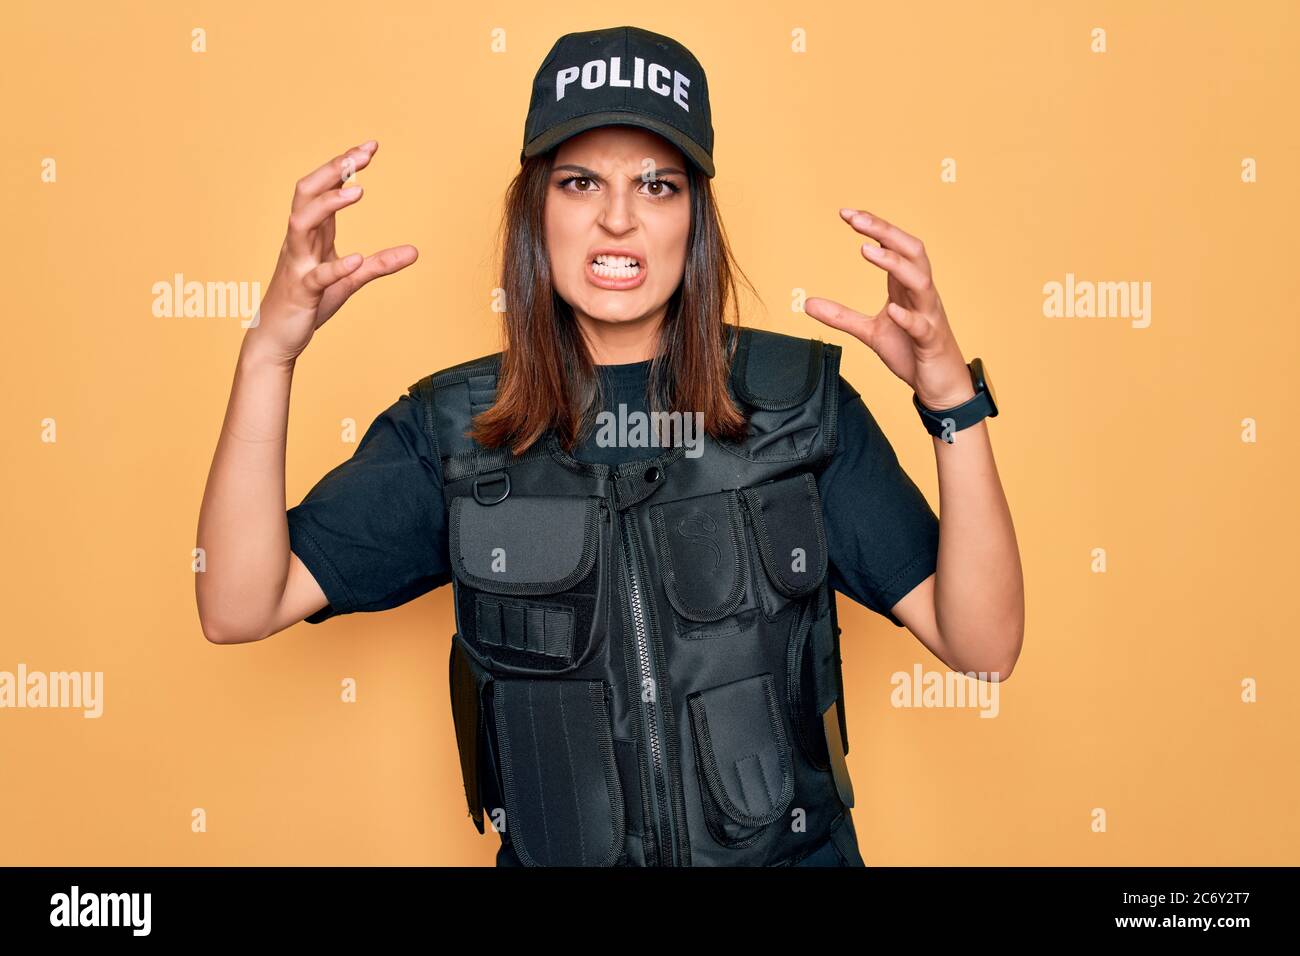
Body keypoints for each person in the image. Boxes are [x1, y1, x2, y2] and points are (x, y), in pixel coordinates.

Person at [194, 25, 1024, 867]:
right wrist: (269, 351)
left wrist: (953, 402)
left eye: (657, 185)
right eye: (581, 181)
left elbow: (983, 647)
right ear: (536, 212)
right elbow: (235, 604)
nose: (618, 219)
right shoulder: (456, 432)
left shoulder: (798, 407)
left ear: (695, 216)